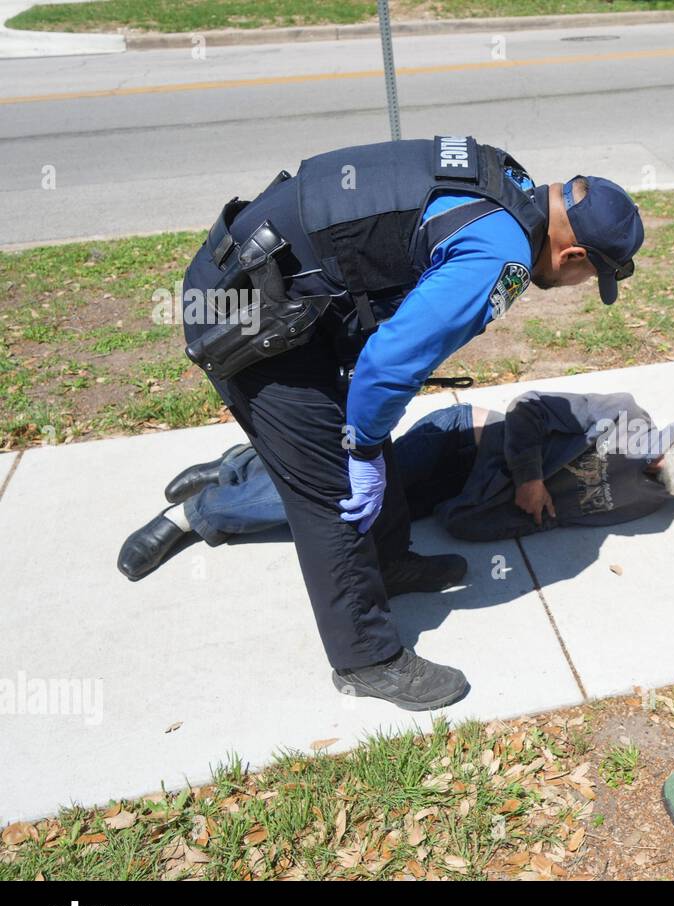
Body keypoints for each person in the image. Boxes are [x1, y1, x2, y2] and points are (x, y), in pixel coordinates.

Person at [150, 135, 644, 712]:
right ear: (574, 257)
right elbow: (388, 366)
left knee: (368, 437)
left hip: (277, 287)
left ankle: (389, 562)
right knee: (334, 487)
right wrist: (359, 453)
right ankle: (366, 659)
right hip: (247, 315)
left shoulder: (506, 177)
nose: (577, 286)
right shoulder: (501, 253)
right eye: (591, 278)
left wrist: (368, 438)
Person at [118, 390, 674, 564]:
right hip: (459, 445)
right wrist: (528, 479)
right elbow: (530, 410)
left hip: (463, 493)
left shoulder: (647, 504)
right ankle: (196, 515)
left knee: (357, 511)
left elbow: (564, 519)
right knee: (338, 499)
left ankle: (242, 463)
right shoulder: (622, 415)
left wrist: (480, 520)